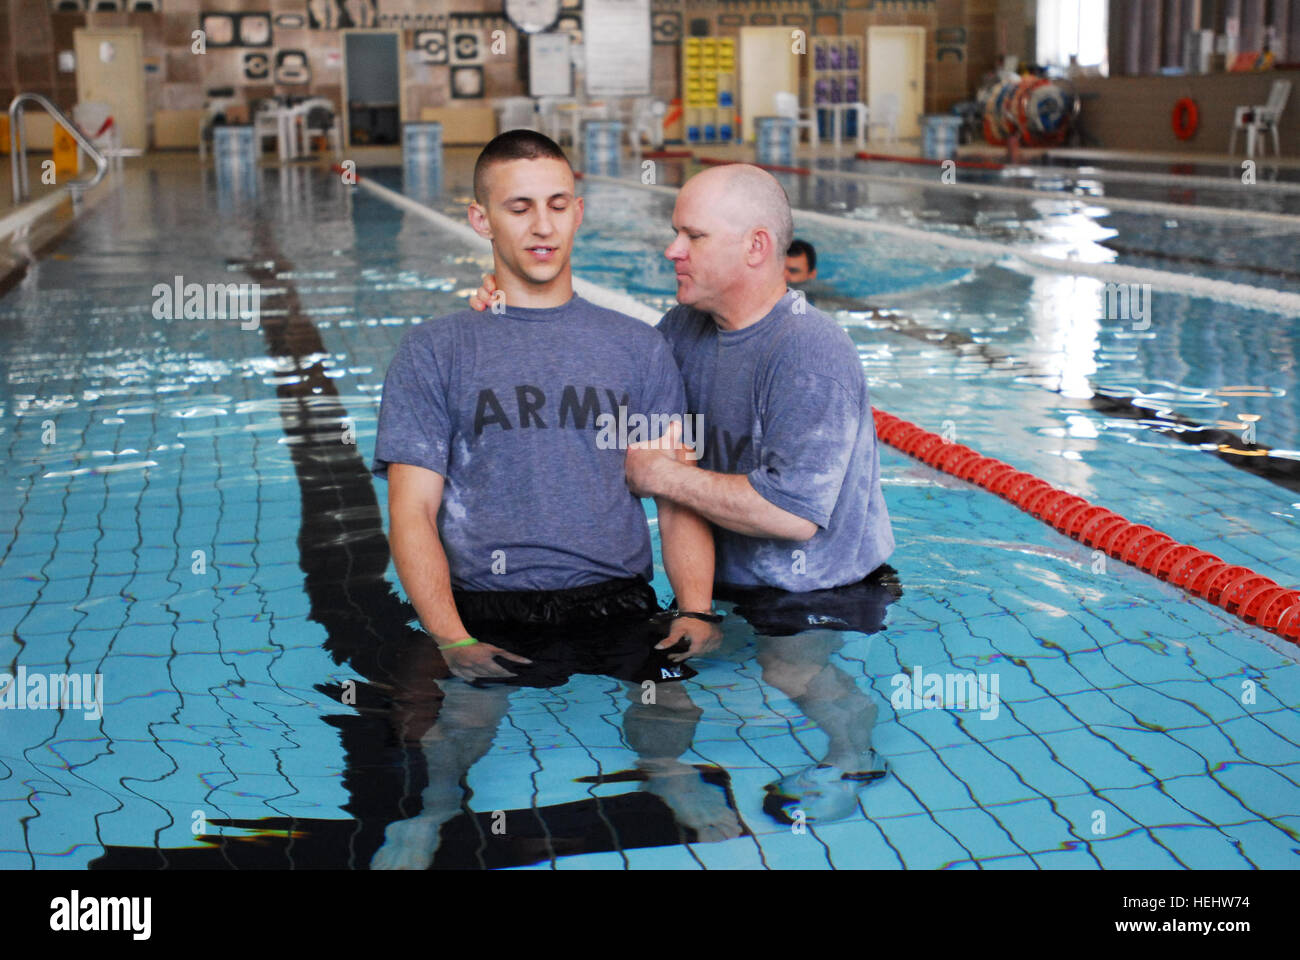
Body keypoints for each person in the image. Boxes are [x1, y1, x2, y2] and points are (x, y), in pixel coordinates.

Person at [470, 162, 899, 819]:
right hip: (722, 581)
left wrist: (662, 475)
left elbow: (792, 515)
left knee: (788, 669)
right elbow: (603, 396)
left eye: (691, 236)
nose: (671, 250)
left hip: (825, 586)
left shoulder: (810, 351)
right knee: (656, 668)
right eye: (676, 233)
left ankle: (855, 756)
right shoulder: (682, 329)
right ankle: (669, 773)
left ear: (755, 247)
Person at [369, 131, 738, 866]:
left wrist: (694, 605)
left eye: (558, 204)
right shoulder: (434, 350)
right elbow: (410, 511)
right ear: (483, 220)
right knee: (454, 728)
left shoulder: (638, 346)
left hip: (618, 599)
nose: (542, 226)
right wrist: (452, 635)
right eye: (520, 207)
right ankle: (437, 811)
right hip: (488, 603)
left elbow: (674, 495)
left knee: (669, 701)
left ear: (579, 211)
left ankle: (666, 773)